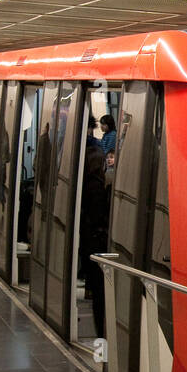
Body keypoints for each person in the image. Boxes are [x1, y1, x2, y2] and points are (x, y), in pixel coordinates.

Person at [78, 137, 110, 339]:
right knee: (100, 292)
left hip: (87, 242)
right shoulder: (97, 187)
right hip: (98, 243)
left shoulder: (83, 185)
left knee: (96, 288)